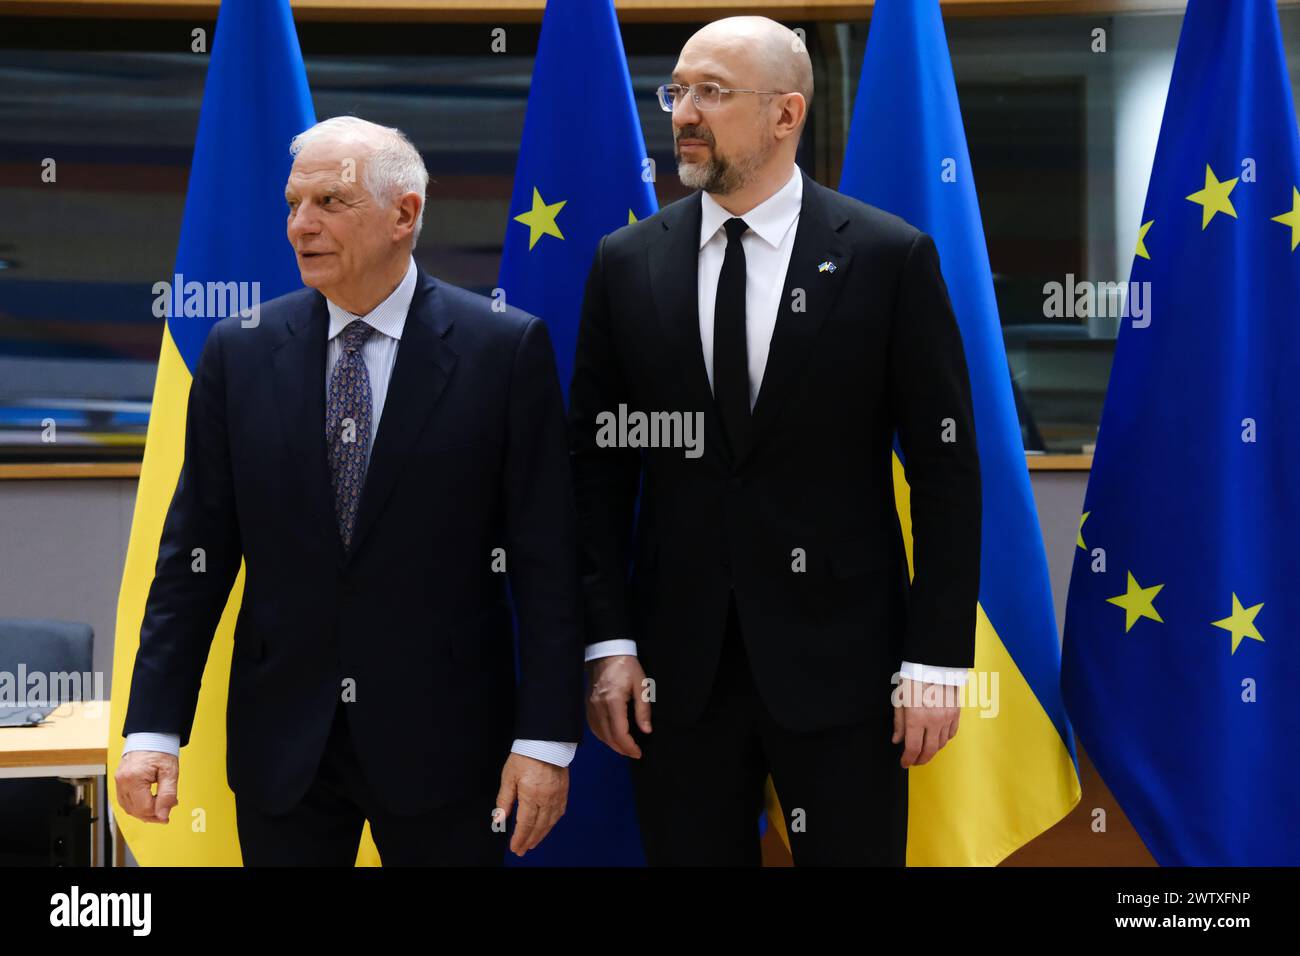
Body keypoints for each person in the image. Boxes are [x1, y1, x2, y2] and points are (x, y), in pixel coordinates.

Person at [115, 117, 583, 865]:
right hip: (283, 747)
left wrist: (546, 740)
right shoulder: (240, 350)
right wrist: (152, 731)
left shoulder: (503, 349)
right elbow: (193, 558)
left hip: (448, 746)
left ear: (405, 215)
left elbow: (549, 560)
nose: (303, 225)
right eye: (295, 203)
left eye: (331, 202)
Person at [571, 16, 982, 865]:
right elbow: (596, 471)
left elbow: (945, 466)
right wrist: (608, 642)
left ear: (785, 114)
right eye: (677, 90)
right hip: (675, 676)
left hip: (846, 666)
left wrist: (937, 659)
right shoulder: (626, 262)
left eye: (712, 93)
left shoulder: (885, 256)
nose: (684, 111)